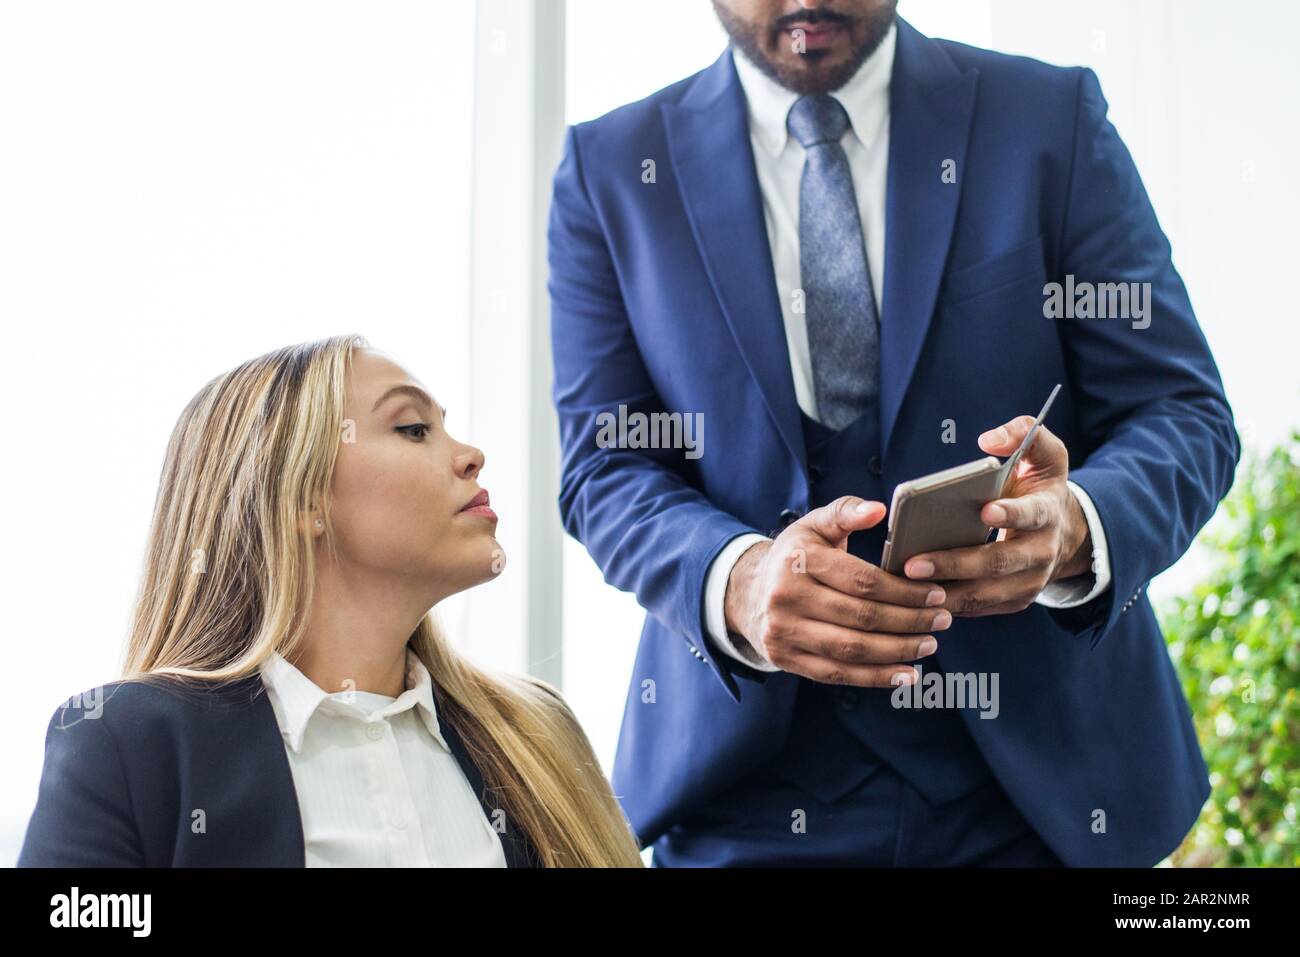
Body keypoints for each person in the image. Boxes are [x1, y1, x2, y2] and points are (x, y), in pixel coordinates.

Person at [547, 0, 1239, 865]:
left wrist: (1075, 527)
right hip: (737, 794)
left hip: (1043, 799)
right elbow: (604, 467)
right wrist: (739, 580)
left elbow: (1182, 411)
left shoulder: (1046, 120)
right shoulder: (610, 169)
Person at [19, 335, 643, 867]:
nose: (470, 455)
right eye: (413, 428)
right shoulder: (124, 744)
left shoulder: (538, 734)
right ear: (301, 500)